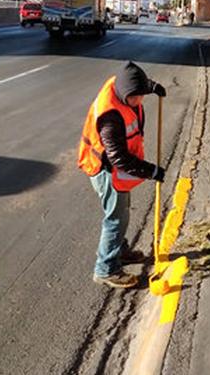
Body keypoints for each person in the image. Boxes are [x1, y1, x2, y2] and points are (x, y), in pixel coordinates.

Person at [77, 62, 167, 288]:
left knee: (122, 211)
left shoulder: (122, 86)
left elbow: (135, 84)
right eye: (135, 98)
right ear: (123, 94)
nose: (139, 101)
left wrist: (153, 87)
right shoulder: (110, 118)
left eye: (141, 96)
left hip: (116, 169)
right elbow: (119, 158)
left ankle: (121, 251)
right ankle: (105, 269)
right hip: (105, 170)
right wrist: (151, 171)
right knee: (116, 219)